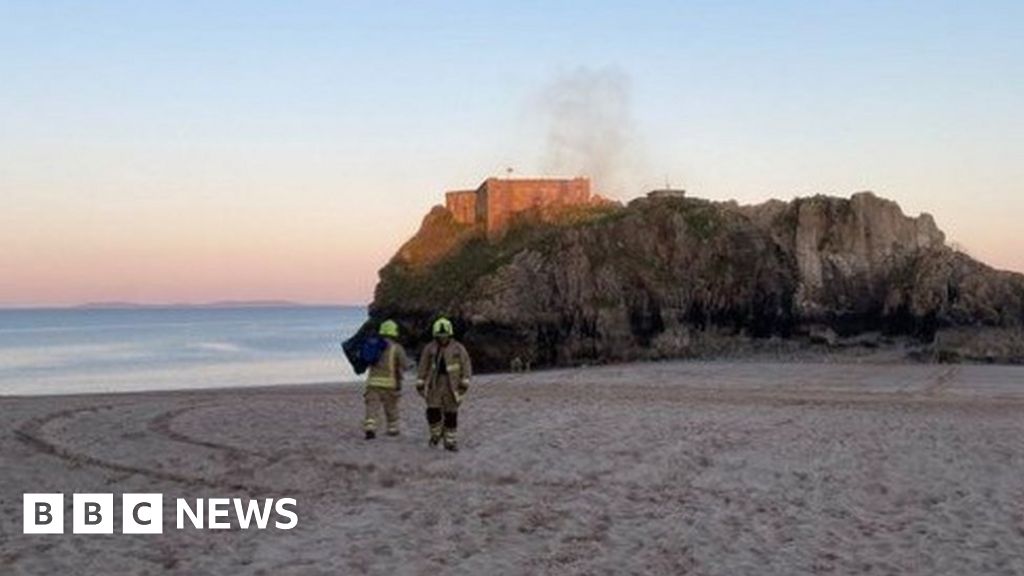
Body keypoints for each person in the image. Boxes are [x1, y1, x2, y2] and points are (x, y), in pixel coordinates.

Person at [417, 317, 472, 451]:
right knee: (432, 411)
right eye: (440, 336)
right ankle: (436, 435)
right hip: (434, 384)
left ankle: (450, 442)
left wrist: (464, 384)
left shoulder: (459, 348)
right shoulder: (429, 348)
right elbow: (423, 366)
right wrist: (420, 382)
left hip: (452, 385)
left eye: (445, 335)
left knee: (451, 414)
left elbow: (467, 366)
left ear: (449, 334)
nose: (442, 338)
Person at [363, 320, 408, 440]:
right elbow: (404, 365)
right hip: (390, 384)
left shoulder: (374, 345)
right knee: (391, 408)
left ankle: (370, 428)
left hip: (372, 383)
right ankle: (392, 429)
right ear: (394, 333)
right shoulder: (397, 348)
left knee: (372, 407)